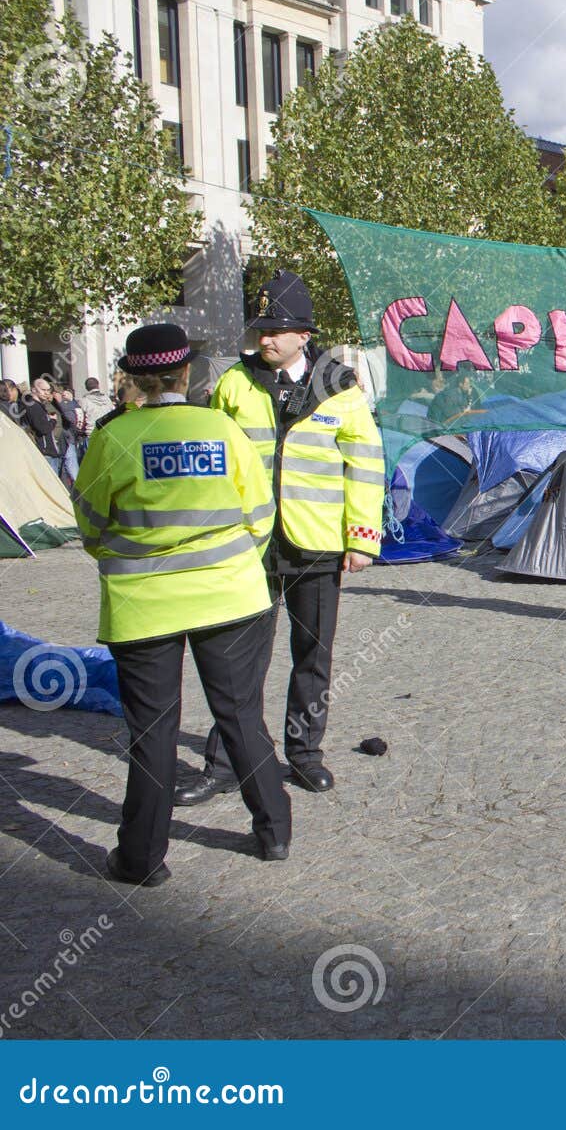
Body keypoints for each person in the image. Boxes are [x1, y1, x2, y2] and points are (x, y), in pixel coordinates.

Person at [70, 324, 291, 885]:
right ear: (186, 372)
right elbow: (261, 513)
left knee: (153, 730)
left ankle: (142, 859)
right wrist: (231, 562)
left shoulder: (113, 438)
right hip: (229, 595)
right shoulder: (222, 429)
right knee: (242, 717)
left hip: (144, 603)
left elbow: (90, 524)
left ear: (134, 378)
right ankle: (274, 833)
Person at [176, 270, 384, 806]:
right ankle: (226, 760)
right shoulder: (233, 384)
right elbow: (211, 461)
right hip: (247, 544)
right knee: (239, 661)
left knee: (313, 656)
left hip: (316, 546)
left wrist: (361, 538)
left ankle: (304, 752)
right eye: (259, 329)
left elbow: (365, 464)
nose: (264, 338)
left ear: (303, 333)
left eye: (276, 328)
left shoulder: (340, 385)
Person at [22, 375, 69, 480]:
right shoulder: (33, 406)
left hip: (50, 451)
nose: (47, 393)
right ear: (33, 389)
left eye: (48, 390)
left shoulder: (39, 405)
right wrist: (53, 420)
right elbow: (43, 429)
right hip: (45, 452)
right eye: (43, 390)